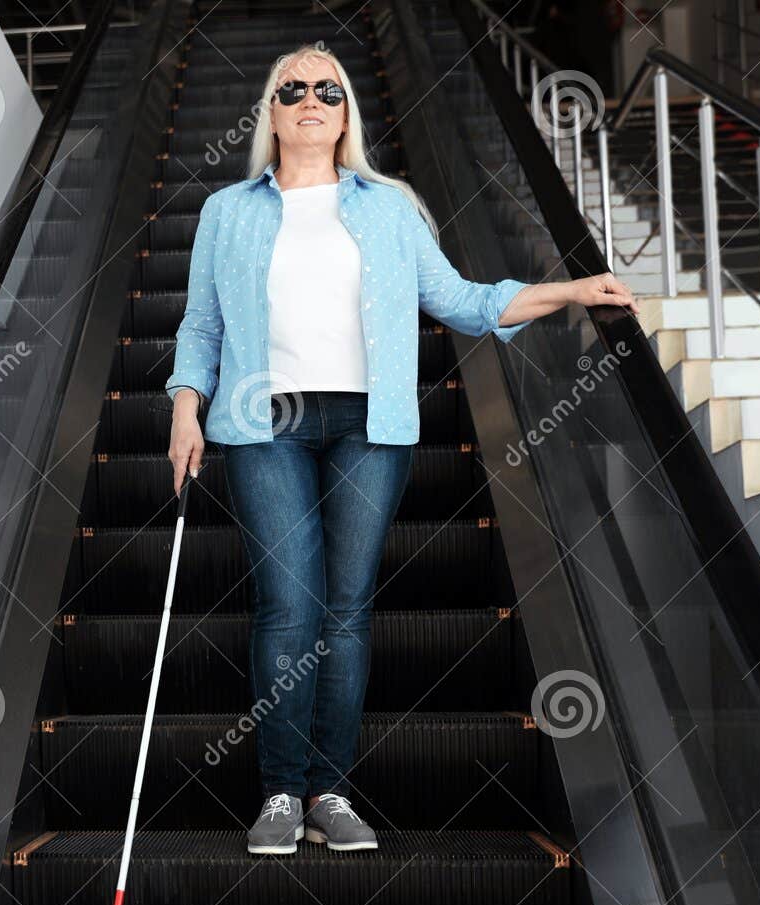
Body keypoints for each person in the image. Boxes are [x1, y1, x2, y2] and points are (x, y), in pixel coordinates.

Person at [164, 43, 636, 856]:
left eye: (328, 88)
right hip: (262, 423)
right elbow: (201, 325)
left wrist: (567, 289)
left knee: (345, 611)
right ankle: (280, 790)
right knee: (288, 605)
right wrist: (184, 407)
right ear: (271, 113)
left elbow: (459, 300)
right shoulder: (227, 211)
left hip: (368, 427)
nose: (311, 98)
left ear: (346, 112)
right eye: (293, 88)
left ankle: (330, 791)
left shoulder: (390, 208)